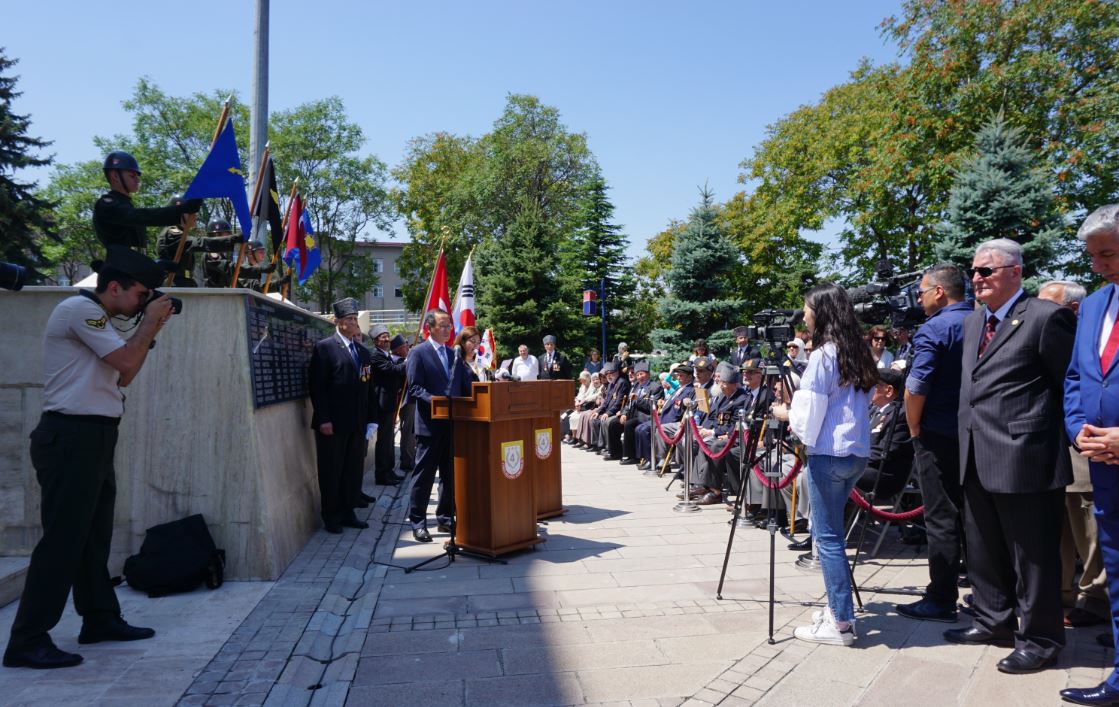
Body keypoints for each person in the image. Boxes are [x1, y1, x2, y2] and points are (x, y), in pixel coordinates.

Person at [4, 247, 175, 670]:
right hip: (70, 437)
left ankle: (99, 618)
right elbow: (126, 359)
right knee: (62, 542)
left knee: (93, 536)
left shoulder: (98, 317)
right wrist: (150, 323)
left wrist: (147, 326)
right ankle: (27, 639)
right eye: (140, 294)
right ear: (113, 287)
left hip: (95, 435)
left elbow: (125, 373)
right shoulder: (80, 310)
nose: (143, 302)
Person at [945, 238, 1075, 675]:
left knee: (1032, 555)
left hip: (1026, 457)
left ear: (1015, 272)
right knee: (982, 545)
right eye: (974, 271)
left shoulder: (1045, 317)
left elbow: (1065, 386)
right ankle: (993, 619)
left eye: (987, 271)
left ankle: (1040, 639)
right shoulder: (972, 323)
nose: (977, 278)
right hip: (976, 452)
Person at [776, 282, 878, 646]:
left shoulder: (823, 355)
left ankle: (840, 622)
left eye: (807, 309)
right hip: (856, 452)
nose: (803, 315)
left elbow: (809, 415)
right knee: (832, 535)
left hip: (829, 452)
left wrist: (785, 412)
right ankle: (839, 610)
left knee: (828, 539)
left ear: (822, 312)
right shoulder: (859, 351)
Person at [1061, 205, 1119, 706]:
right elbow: (1077, 378)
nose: (1099, 265)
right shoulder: (1097, 306)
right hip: (1103, 463)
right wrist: (1079, 430)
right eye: (1093, 256)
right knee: (1116, 570)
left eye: (1109, 253)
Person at [895, 263, 972, 624]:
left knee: (941, 517)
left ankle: (941, 598)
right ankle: (988, 594)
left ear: (939, 291)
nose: (920, 298)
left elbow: (915, 387)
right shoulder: (983, 320)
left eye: (923, 291)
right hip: (979, 436)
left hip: (938, 436)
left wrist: (913, 429)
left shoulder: (936, 328)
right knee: (976, 515)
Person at [1038, 280, 1108, 631]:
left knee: (1087, 523)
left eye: (1049, 305)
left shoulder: (1081, 335)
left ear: (1073, 308)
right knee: (1060, 525)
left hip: (1083, 441)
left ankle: (1095, 597)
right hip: (1054, 442)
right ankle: (1062, 592)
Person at [308, 298, 376, 534]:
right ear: (337, 322)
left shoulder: (363, 352)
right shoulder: (325, 348)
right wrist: (324, 418)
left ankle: (348, 512)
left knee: (352, 471)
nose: (353, 323)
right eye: (349, 319)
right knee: (331, 471)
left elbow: (368, 387)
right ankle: (332, 516)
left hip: (357, 424)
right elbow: (317, 387)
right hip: (333, 424)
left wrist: (370, 419)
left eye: (355, 319)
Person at [405, 309, 473, 543]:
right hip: (429, 425)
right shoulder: (418, 353)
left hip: (453, 424)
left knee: (450, 474)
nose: (447, 330)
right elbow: (414, 388)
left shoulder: (454, 353)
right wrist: (435, 401)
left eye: (449, 326)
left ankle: (445, 518)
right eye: (442, 326)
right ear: (430, 328)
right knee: (424, 475)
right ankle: (418, 522)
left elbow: (465, 385)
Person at [92, 151, 201, 252]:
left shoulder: (126, 206)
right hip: (118, 271)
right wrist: (179, 211)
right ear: (115, 176)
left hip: (133, 269)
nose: (137, 179)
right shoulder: (106, 205)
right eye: (132, 175)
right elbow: (142, 216)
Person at [685, 361, 749, 505]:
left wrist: (713, 432)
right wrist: (709, 429)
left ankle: (715, 491)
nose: (721, 385)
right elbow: (715, 418)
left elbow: (733, 424)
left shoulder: (740, 399)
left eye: (724, 383)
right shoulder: (722, 396)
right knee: (703, 442)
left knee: (713, 445)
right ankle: (700, 484)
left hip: (730, 437)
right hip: (719, 433)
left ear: (734, 384)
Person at [855, 368, 913, 499]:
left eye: (874, 385)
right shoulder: (872, 410)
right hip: (867, 465)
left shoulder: (900, 415)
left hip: (885, 474)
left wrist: (855, 458)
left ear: (889, 391)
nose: (869, 389)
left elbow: (887, 450)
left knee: (837, 471)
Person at [154, 200, 239, 286]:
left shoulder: (182, 233)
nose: (195, 215)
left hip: (184, 283)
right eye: (190, 211)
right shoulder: (172, 234)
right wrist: (233, 240)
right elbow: (199, 243)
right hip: (173, 283)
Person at [369, 324, 406, 487]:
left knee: (389, 439)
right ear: (376, 341)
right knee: (384, 441)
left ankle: (389, 471)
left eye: (387, 335)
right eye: (383, 336)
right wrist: (408, 362)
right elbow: (392, 370)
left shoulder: (386, 354)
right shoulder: (376, 356)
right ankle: (382, 474)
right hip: (382, 404)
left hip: (390, 402)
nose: (387, 339)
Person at [618, 362, 664, 465]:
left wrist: (638, 399)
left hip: (647, 417)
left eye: (642, 374)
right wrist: (624, 413)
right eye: (637, 375)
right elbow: (628, 403)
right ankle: (626, 454)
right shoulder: (636, 386)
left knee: (630, 425)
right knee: (619, 423)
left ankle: (636, 456)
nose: (639, 377)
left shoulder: (656, 387)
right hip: (634, 415)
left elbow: (652, 407)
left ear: (648, 374)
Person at [391, 334, 416, 473]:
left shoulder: (403, 360)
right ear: (397, 350)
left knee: (411, 431)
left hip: (410, 400)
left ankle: (410, 458)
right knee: (407, 431)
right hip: (404, 401)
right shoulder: (396, 362)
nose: (407, 348)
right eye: (404, 346)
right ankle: (406, 460)